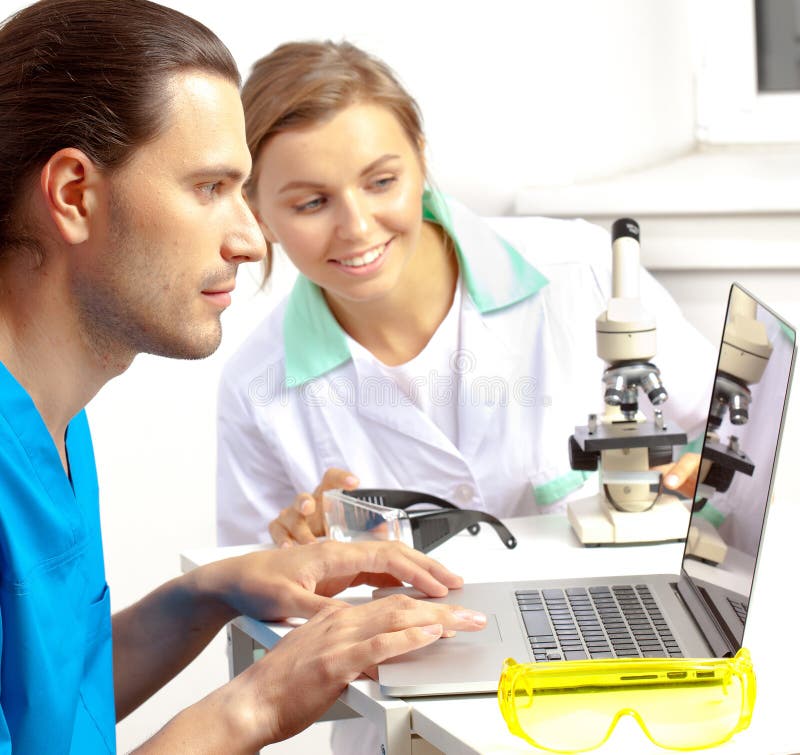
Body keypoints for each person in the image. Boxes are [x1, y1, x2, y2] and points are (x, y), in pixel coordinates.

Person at [0, 3, 488, 752]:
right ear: (73, 194)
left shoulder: (49, 423)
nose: (251, 241)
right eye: (209, 188)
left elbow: (49, 699)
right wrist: (253, 705)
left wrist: (211, 593)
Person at [214, 40, 715, 753]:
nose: (356, 226)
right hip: (410, 721)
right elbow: (253, 615)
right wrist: (297, 557)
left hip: (608, 680)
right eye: (311, 202)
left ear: (420, 157)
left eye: (382, 181)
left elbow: (731, 436)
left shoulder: (580, 273)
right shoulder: (257, 386)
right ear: (258, 213)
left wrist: (701, 473)